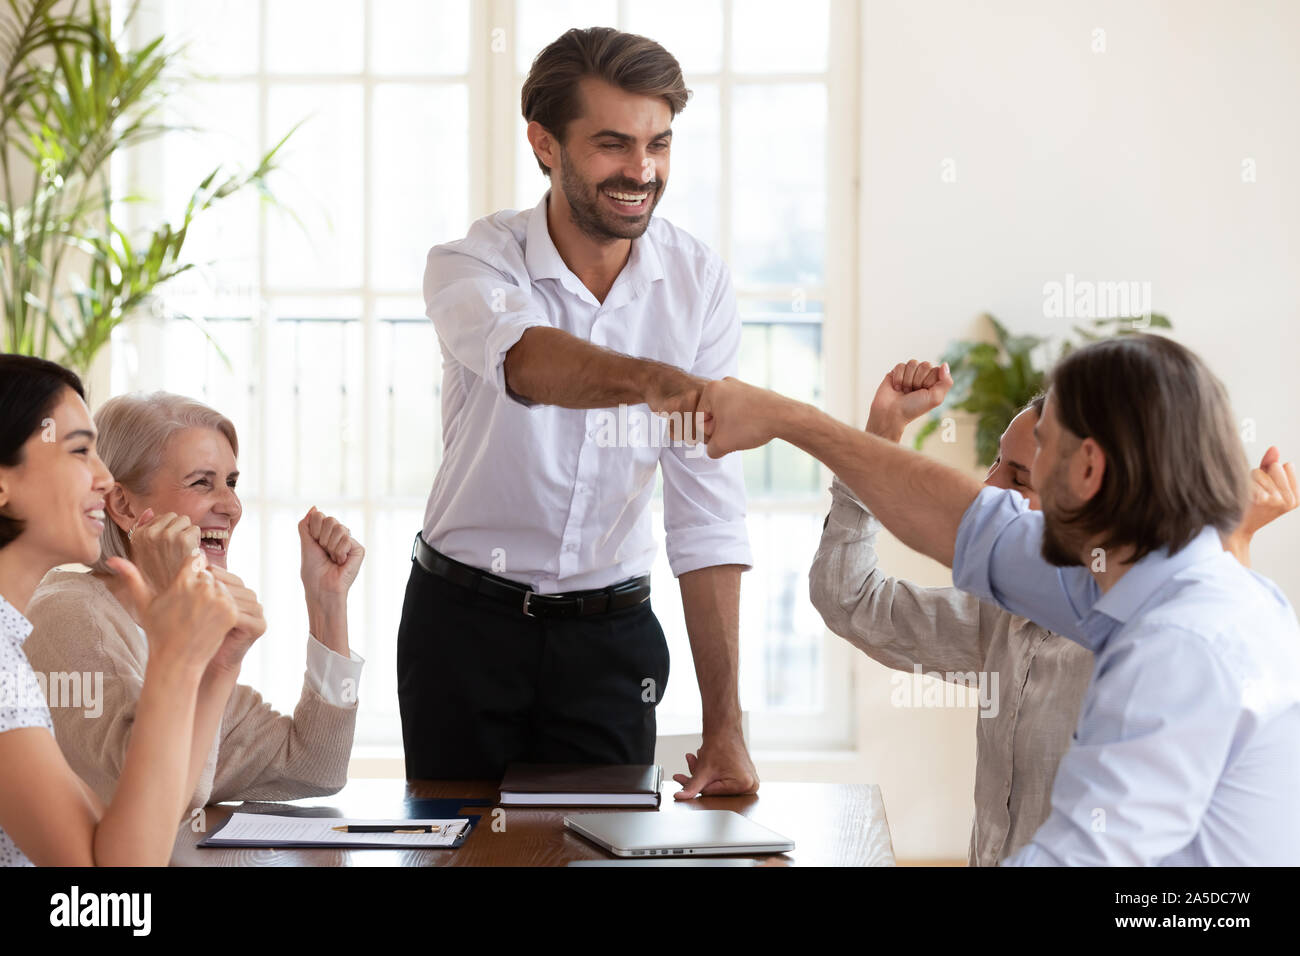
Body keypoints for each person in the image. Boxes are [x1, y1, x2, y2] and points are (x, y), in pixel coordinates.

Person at [698, 334, 1300, 864]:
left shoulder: (1183, 649)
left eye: (1037, 456)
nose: (995, 493)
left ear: (1088, 469)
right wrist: (787, 418)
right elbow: (962, 520)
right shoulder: (1096, 578)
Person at [398, 27, 756, 798]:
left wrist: (726, 724)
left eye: (659, 143)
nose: (642, 170)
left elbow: (706, 513)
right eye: (612, 144)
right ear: (545, 144)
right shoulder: (473, 263)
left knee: (605, 851)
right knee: (457, 855)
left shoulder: (698, 284)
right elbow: (528, 362)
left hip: (611, 641)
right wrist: (658, 383)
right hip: (464, 626)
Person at [25, 391, 366, 810]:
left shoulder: (174, 627)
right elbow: (155, 803)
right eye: (202, 482)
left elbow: (317, 765)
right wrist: (200, 641)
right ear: (123, 504)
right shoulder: (67, 616)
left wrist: (327, 603)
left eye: (231, 483)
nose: (232, 505)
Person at [0, 355, 236, 865]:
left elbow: (130, 839)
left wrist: (216, 663)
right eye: (80, 451)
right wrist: (175, 659)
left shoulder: (8, 652)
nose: (106, 480)